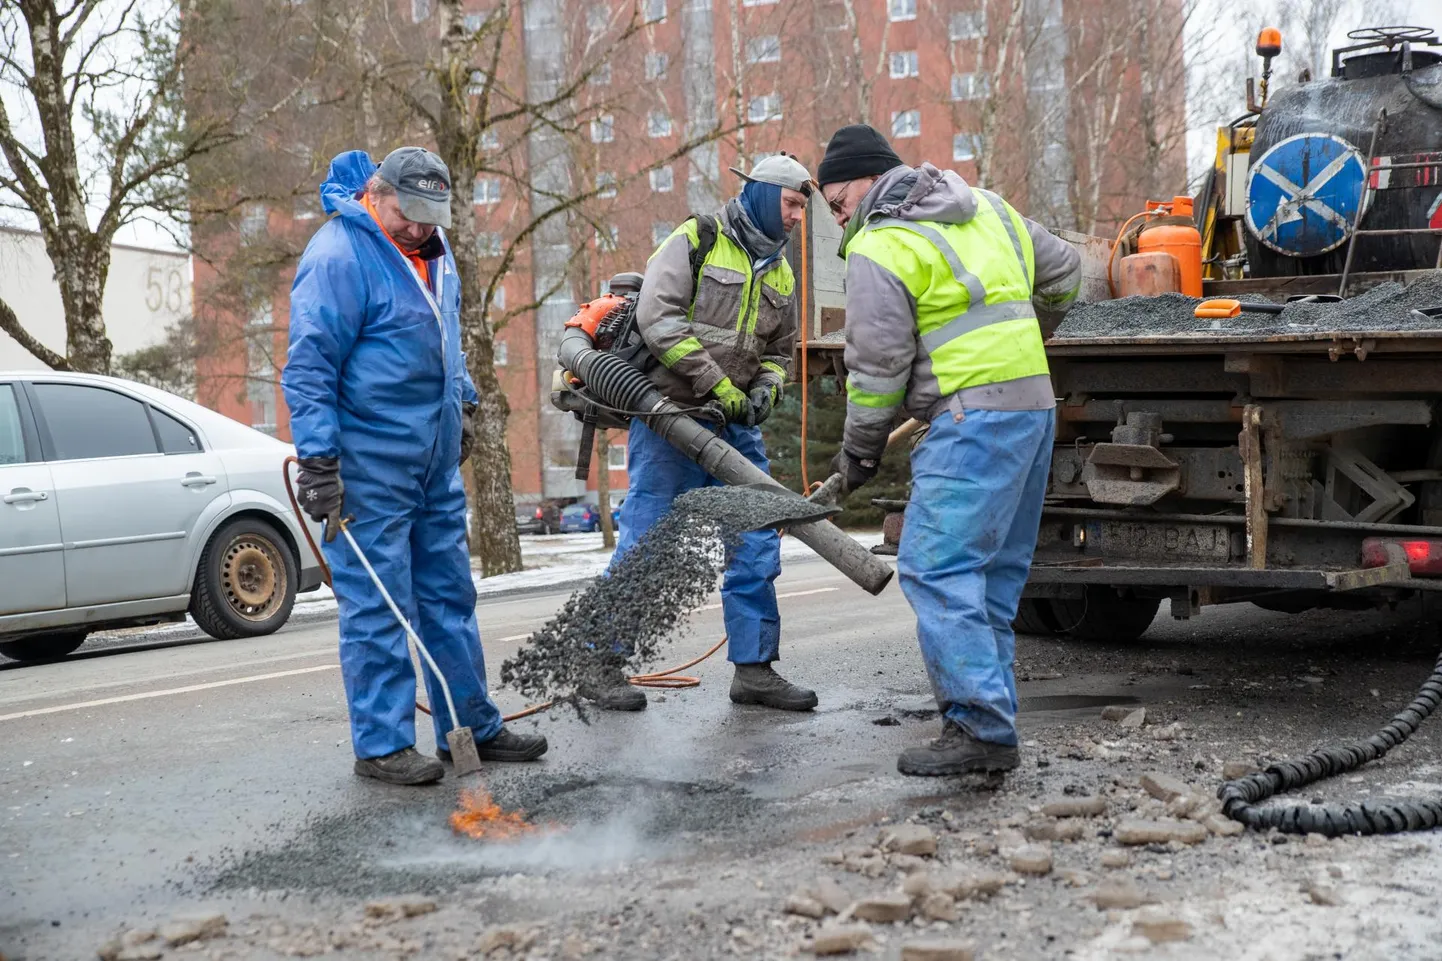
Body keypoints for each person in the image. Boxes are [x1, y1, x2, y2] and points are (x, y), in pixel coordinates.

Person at [817, 124, 1081, 776]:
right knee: (992, 578)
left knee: (935, 568)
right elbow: (1066, 274)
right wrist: (1023, 337)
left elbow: (876, 369)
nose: (838, 218)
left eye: (837, 203)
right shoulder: (989, 207)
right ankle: (990, 723)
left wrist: (859, 453)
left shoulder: (882, 243)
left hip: (969, 421)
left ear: (865, 180)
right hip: (1034, 409)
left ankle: (979, 726)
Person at [283, 146, 548, 785]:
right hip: (369, 466)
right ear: (377, 194)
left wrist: (466, 405)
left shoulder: (434, 250)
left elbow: (446, 339)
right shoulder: (339, 255)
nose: (421, 226)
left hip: (432, 464)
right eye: (410, 213)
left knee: (449, 596)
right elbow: (310, 366)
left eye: (432, 215)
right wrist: (319, 459)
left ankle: (471, 725)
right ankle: (382, 745)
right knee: (379, 606)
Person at [580, 155, 819, 713]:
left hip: (734, 430)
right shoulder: (697, 239)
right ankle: (599, 665)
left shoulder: (781, 270)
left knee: (756, 544)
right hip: (670, 420)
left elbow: (781, 349)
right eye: (791, 204)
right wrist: (716, 382)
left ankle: (754, 671)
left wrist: (767, 387)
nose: (796, 217)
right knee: (647, 546)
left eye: (802, 208)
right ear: (764, 194)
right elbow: (658, 321)